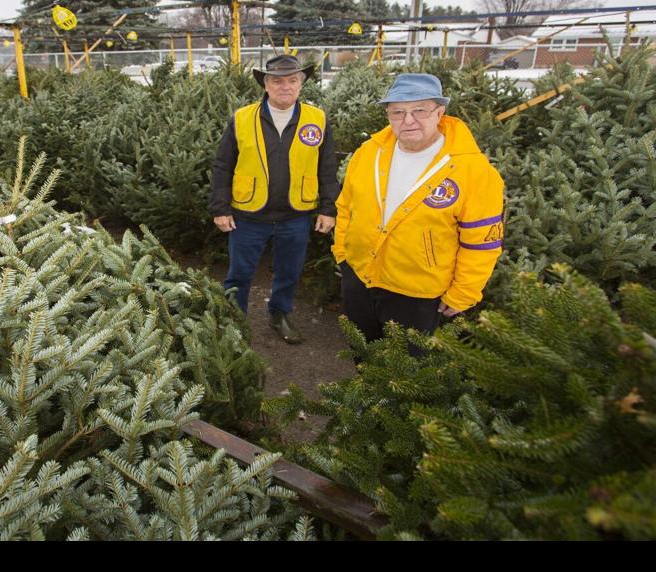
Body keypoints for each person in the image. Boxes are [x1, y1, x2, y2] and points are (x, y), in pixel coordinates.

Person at [332, 73, 505, 353]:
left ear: (440, 112)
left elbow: (482, 242)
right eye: (398, 112)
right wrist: (343, 254)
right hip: (360, 279)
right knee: (363, 353)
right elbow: (345, 207)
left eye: (419, 110)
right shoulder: (368, 153)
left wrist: (464, 292)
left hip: (418, 294)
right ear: (388, 115)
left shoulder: (472, 170)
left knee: (408, 368)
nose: (408, 120)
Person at [209, 55, 339, 345]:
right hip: (248, 215)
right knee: (239, 273)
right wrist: (219, 207)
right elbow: (223, 165)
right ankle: (234, 322)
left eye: (292, 80)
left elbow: (327, 168)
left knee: (289, 272)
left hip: (296, 215)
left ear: (301, 84)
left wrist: (329, 209)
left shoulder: (317, 119)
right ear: (265, 84)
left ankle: (279, 314)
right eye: (277, 80)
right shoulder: (242, 118)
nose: (285, 86)